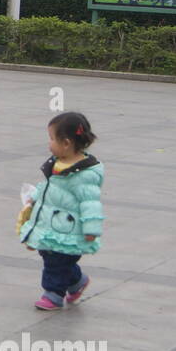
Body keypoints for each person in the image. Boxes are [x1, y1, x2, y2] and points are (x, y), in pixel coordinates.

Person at [17, 112, 104, 311]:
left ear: (66, 143)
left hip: (67, 229)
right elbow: (49, 185)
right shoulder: (58, 163)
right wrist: (36, 195)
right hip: (50, 224)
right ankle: (77, 282)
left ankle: (53, 294)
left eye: (51, 139)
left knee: (56, 263)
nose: (49, 144)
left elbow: (91, 203)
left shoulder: (85, 175)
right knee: (52, 256)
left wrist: (92, 229)